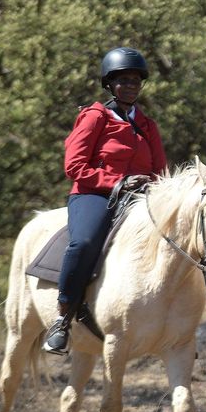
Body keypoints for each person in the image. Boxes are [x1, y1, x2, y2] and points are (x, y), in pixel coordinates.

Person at [42, 47, 167, 355]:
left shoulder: (147, 125)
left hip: (140, 198)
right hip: (94, 194)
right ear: (110, 84)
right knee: (84, 243)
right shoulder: (94, 117)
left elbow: (160, 170)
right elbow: (74, 166)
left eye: (135, 81)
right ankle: (62, 317)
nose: (130, 86)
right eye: (123, 80)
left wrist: (153, 187)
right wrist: (117, 182)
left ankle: (174, 324)